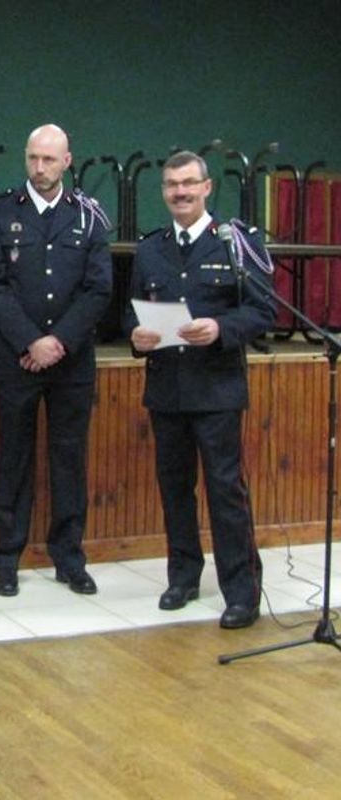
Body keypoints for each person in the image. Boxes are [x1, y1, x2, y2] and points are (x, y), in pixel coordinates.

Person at [124, 150, 273, 629]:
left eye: (189, 183)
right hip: (167, 388)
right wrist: (136, 336)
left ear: (208, 188)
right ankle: (183, 576)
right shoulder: (150, 248)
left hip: (217, 389)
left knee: (225, 490)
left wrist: (220, 328)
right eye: (171, 185)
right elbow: (131, 311)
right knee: (174, 489)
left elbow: (262, 311)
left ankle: (242, 590)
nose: (180, 192)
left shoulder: (236, 242)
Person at [0, 124, 113, 598]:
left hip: (71, 362)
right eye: (33, 158)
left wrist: (59, 342)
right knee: (14, 457)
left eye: (49, 160)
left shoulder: (89, 218)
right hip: (14, 358)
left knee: (69, 459)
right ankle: (7, 558)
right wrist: (31, 341)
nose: (39, 168)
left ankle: (69, 558)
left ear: (67, 162)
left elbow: (98, 287)